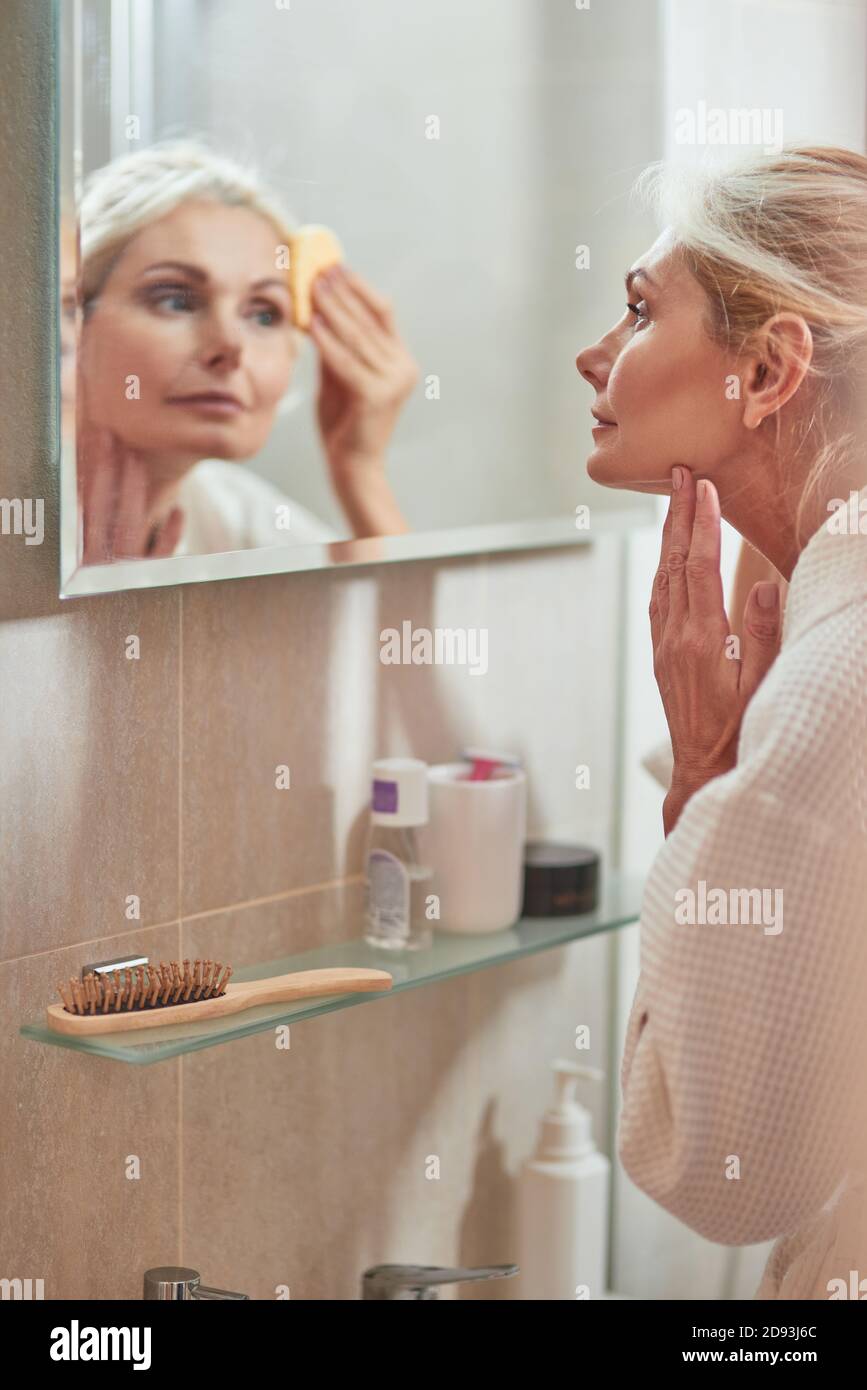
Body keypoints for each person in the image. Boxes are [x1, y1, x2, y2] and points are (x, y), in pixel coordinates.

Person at [576, 146, 867, 1298]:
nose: (594, 354)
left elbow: (724, 1167)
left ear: (767, 369)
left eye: (642, 311)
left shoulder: (840, 675)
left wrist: (706, 775)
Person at [73, 141, 418, 561]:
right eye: (176, 301)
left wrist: (361, 468)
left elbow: (404, 626)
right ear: (74, 324)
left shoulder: (232, 513)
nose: (231, 348)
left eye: (263, 315)